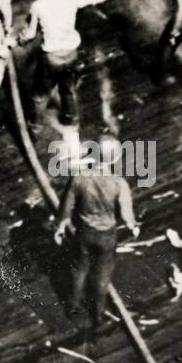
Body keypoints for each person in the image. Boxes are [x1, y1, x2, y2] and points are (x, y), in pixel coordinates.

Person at [54, 138, 140, 330]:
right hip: (107, 236)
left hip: (84, 233)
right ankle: (97, 316)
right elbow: (127, 215)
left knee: (79, 269)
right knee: (102, 275)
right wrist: (133, 226)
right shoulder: (119, 183)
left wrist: (60, 226)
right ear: (114, 159)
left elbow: (66, 208)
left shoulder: (79, 178)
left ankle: (72, 308)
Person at [22, 0, 122, 126]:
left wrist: (18, 39)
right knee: (68, 89)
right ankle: (70, 118)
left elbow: (30, 34)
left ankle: (35, 124)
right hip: (71, 55)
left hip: (52, 59)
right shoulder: (70, 0)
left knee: (40, 95)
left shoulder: (37, 6)